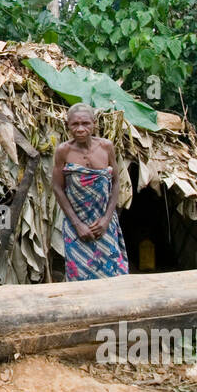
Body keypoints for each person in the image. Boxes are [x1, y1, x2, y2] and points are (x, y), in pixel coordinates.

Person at [52, 104, 129, 281]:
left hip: (104, 223)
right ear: (68, 126)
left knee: (113, 275)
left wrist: (107, 220)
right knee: (80, 277)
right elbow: (57, 187)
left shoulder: (106, 146)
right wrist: (78, 224)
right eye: (75, 124)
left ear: (94, 124)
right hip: (76, 224)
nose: (80, 129)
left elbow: (116, 182)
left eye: (85, 123)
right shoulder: (63, 151)